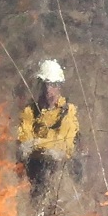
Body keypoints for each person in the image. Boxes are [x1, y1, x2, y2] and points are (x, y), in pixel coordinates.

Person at [16, 58, 80, 207]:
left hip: (60, 175)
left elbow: (63, 147)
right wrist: (43, 146)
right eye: (45, 85)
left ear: (59, 87)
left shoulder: (68, 112)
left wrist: (37, 143)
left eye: (53, 85)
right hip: (33, 173)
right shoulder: (29, 111)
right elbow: (23, 143)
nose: (48, 91)